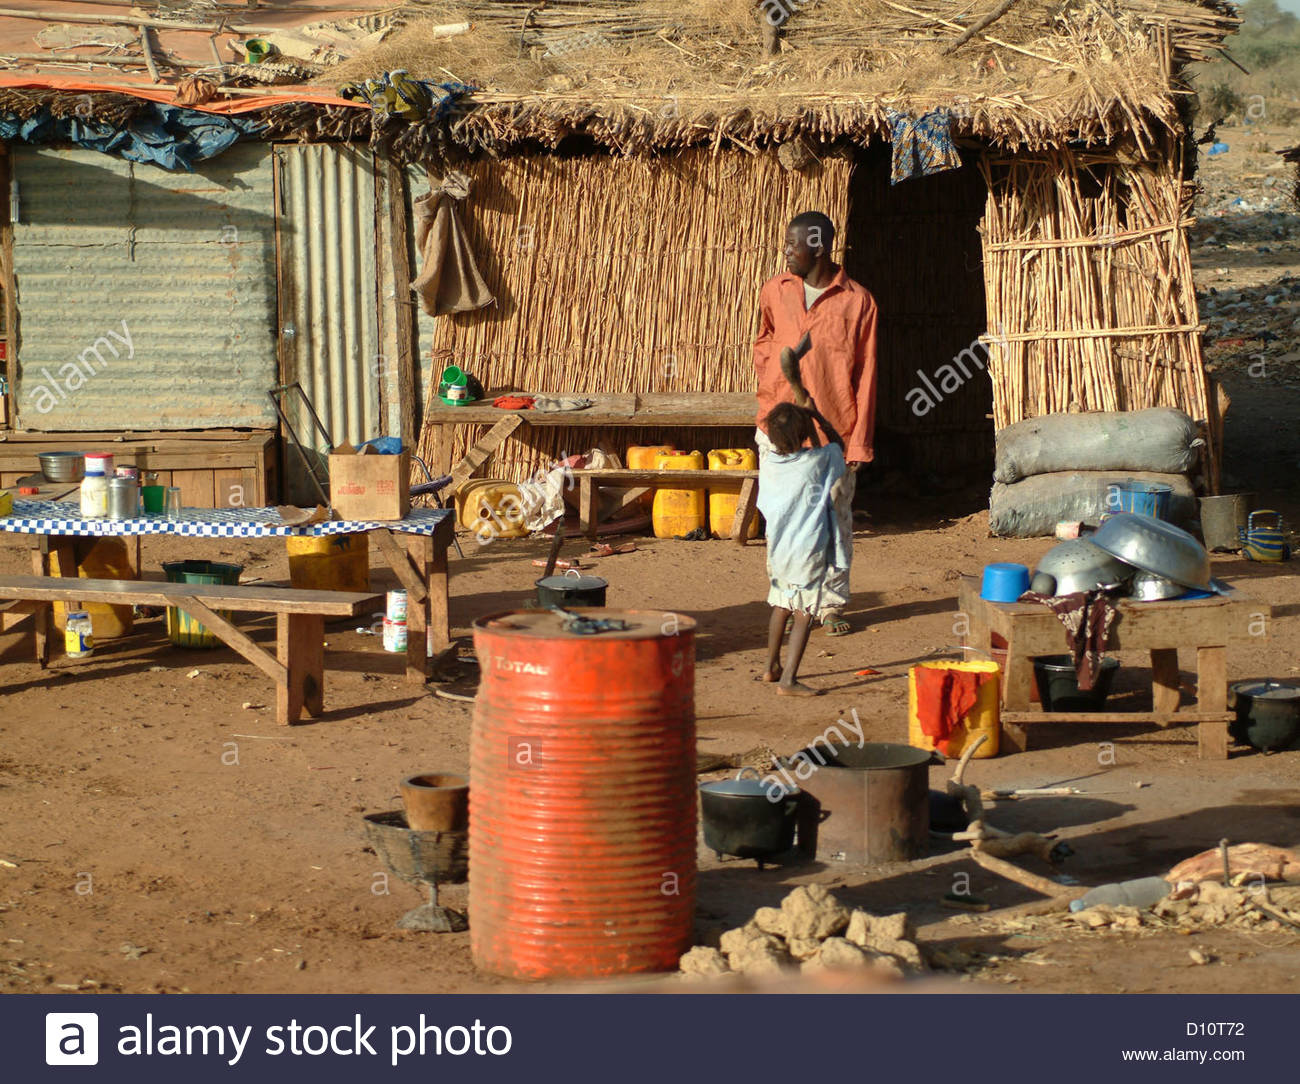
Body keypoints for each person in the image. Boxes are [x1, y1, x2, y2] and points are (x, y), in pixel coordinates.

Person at [753, 210, 878, 636]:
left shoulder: (858, 301)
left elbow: (866, 374)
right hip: (779, 429)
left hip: (831, 434)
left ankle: (830, 603)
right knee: (782, 516)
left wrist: (858, 444)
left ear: (819, 247)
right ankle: (786, 597)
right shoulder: (775, 290)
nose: (785, 252)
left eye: (793, 245)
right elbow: (764, 339)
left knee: (834, 518)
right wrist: (770, 387)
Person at [756, 399, 851, 696]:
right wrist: (818, 416)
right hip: (808, 551)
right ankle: (789, 681)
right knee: (804, 613)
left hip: (779, 550)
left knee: (781, 605)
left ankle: (771, 668)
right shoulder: (817, 462)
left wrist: (806, 420)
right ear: (803, 435)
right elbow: (838, 446)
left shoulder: (769, 463)